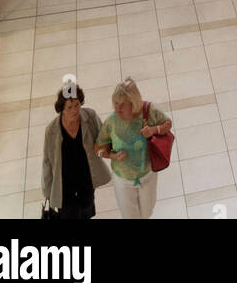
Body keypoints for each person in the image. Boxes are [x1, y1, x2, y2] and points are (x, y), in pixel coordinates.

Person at [96, 78, 171, 221]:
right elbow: (98, 148)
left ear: (133, 102)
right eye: (115, 103)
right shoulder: (111, 121)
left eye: (122, 104)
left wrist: (155, 129)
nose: (118, 108)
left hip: (147, 175)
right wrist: (112, 156)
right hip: (122, 179)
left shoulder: (150, 111)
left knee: (147, 212)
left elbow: (168, 123)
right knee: (130, 216)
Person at [42, 83, 110, 220]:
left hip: (87, 178)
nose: (74, 110)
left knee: (86, 208)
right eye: (69, 107)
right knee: (69, 215)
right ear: (62, 108)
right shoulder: (52, 131)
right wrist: (47, 191)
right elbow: (47, 162)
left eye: (77, 105)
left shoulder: (90, 117)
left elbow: (104, 137)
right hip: (64, 184)